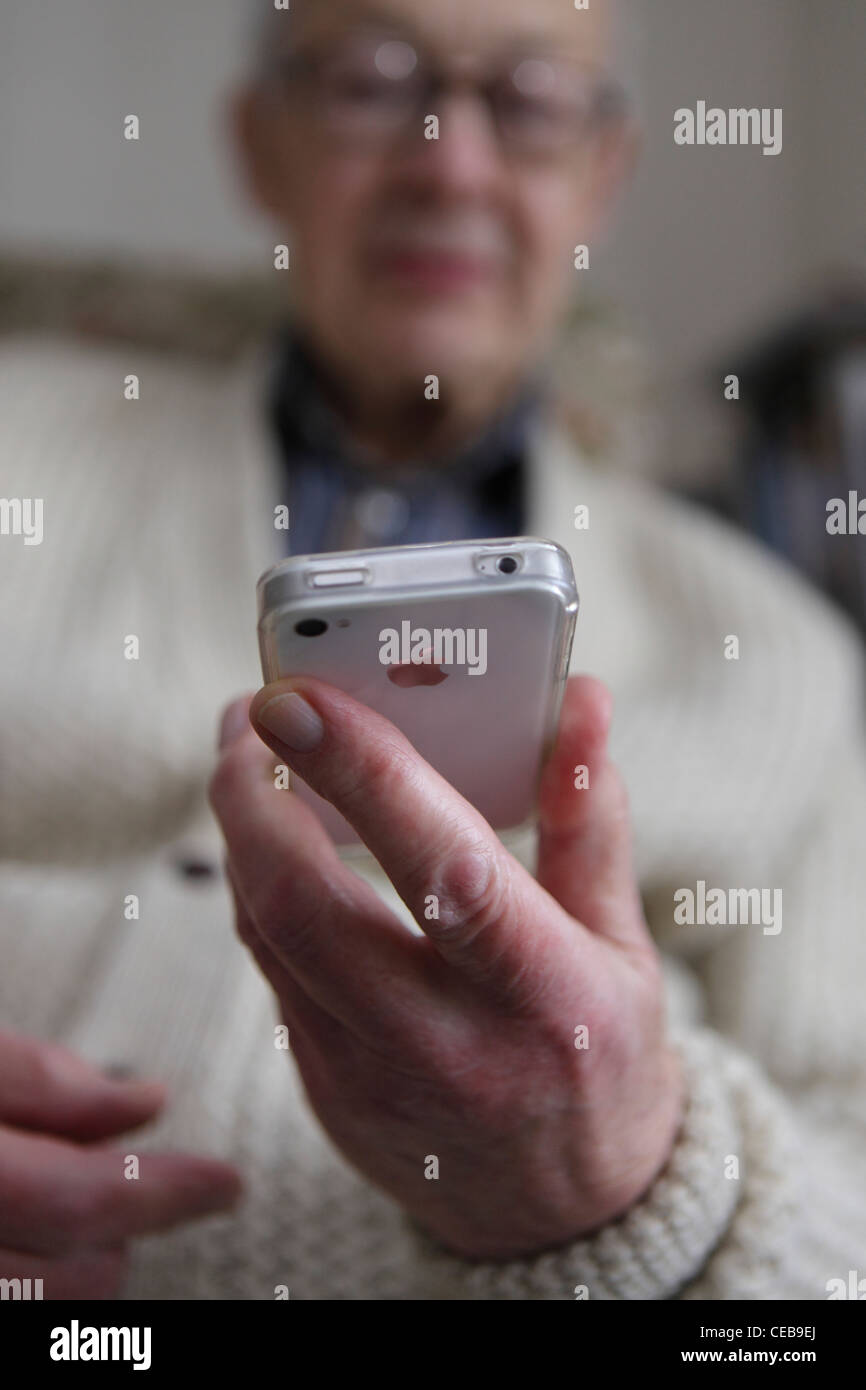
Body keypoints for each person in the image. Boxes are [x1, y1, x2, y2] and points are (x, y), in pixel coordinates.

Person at [0, 0, 863, 1300]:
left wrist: (628, 1169)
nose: (449, 162)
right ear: (260, 143)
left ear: (602, 172)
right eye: (367, 82)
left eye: (524, 100)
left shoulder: (775, 650)